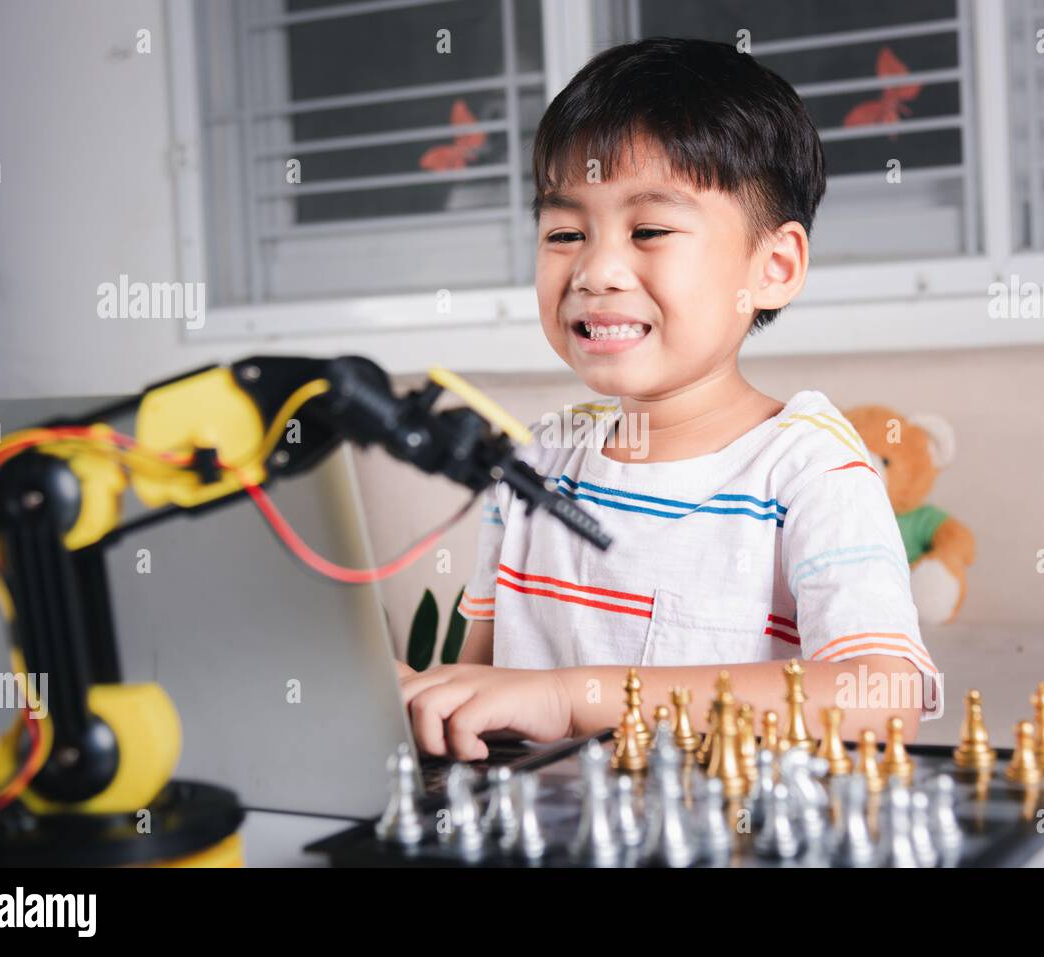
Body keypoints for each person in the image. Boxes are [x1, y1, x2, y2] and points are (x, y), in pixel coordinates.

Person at [397, 37, 941, 760]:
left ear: (774, 267)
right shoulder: (533, 461)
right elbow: (483, 690)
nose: (595, 270)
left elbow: (883, 695)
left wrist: (571, 698)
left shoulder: (809, 466)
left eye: (648, 229)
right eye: (565, 232)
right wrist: (413, 696)